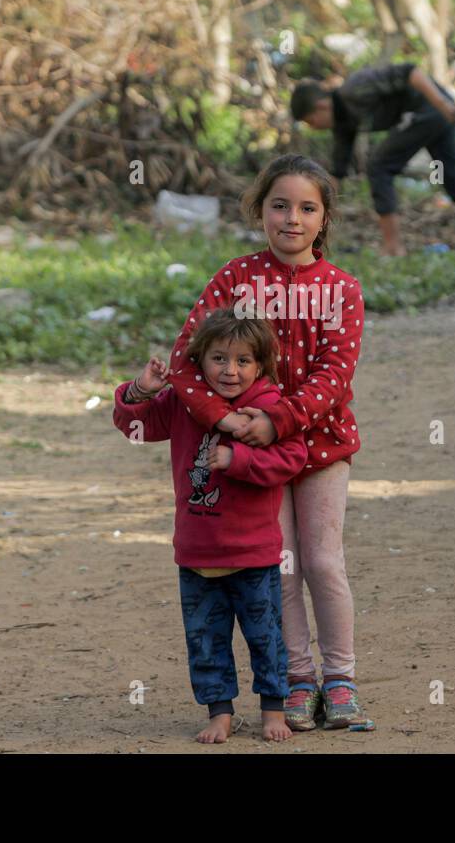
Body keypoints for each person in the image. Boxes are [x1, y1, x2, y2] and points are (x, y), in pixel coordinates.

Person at [162, 153, 369, 732]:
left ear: (324, 218)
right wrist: (229, 423)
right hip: (252, 455)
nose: (292, 219)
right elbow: (184, 361)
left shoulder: (342, 291)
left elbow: (336, 375)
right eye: (280, 205)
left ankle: (341, 680)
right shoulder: (234, 281)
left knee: (324, 562)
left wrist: (279, 421)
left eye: (307, 208)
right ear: (260, 211)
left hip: (321, 446)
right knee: (279, 568)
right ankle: (298, 682)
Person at [113, 308, 307, 743]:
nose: (230, 370)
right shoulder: (183, 406)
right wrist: (141, 390)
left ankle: (273, 709)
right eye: (219, 358)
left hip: (253, 553)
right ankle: (219, 711)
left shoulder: (270, 409)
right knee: (205, 640)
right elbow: (135, 427)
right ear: (199, 360)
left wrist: (238, 459)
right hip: (197, 551)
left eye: (242, 361)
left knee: (266, 637)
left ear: (260, 366)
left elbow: (291, 460)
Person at [291, 62, 455, 256]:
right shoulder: (343, 126)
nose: (314, 128)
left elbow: (410, 71)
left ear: (322, 105)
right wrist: (311, 217)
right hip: (427, 118)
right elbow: (337, 174)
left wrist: (441, 102)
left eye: (311, 122)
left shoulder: (355, 88)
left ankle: (393, 248)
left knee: (379, 165)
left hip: (430, 109)